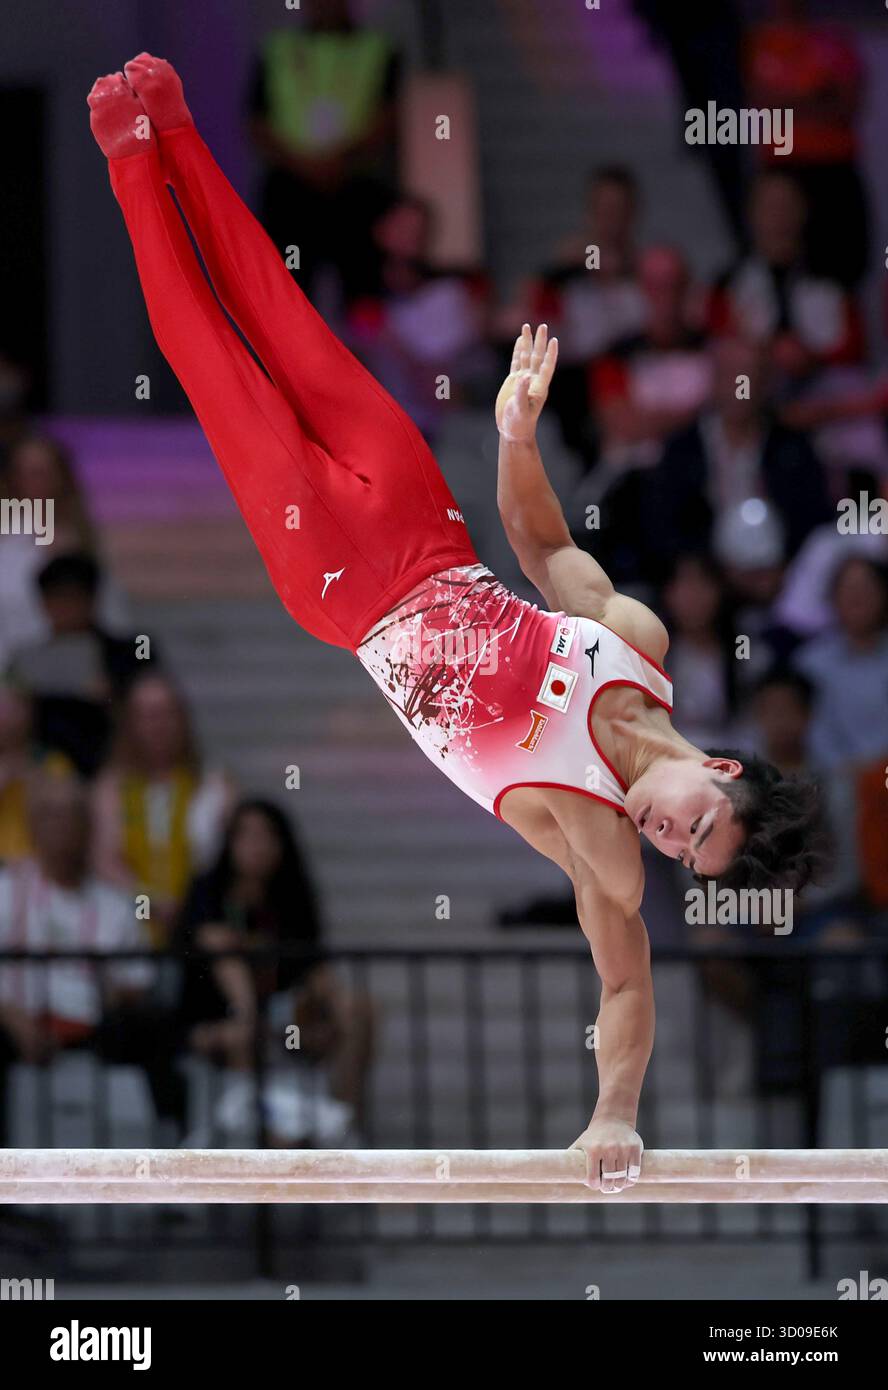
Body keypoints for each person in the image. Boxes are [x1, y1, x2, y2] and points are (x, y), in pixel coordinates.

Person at [88, 56, 824, 1192]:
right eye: (694, 825)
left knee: (219, 365)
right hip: (425, 515)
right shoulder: (637, 643)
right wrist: (519, 434)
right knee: (281, 316)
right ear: (717, 766)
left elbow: (625, 987)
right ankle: (180, 128)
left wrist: (613, 1115)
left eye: (685, 856)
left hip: (341, 584)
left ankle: (132, 163)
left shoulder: (606, 856)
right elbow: (542, 550)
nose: (669, 842)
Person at [0, 774, 185, 1143]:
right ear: (33, 825)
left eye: (72, 814)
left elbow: (136, 982)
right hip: (13, 1025)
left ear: (88, 825)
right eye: (51, 814)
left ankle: (175, 1159)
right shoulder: (6, 891)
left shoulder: (115, 905)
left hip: (95, 1028)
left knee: (154, 1030)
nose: (63, 825)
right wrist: (16, 1020)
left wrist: (115, 995)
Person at [177, 799, 372, 1118]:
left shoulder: (291, 899)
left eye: (266, 836)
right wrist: (247, 1010)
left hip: (283, 1019)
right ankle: (247, 1131)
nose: (256, 846)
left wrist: (338, 1005)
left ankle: (340, 1120)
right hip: (215, 1021)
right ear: (230, 842)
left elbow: (312, 965)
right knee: (244, 1029)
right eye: (246, 836)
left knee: (360, 1011)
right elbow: (213, 944)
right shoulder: (208, 890)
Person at [91, 673, 235, 944]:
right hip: (128, 927)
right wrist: (150, 901)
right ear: (130, 723)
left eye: (166, 713)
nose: (158, 725)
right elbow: (104, 859)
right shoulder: (111, 787)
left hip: (197, 925)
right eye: (147, 715)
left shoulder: (212, 783)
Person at [6, 552, 152, 777]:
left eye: (73, 597)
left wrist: (112, 692)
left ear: (92, 598)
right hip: (45, 770)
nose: (65, 608)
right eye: (56, 598)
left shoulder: (135, 648)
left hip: (113, 761)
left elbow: (153, 691)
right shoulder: (27, 659)